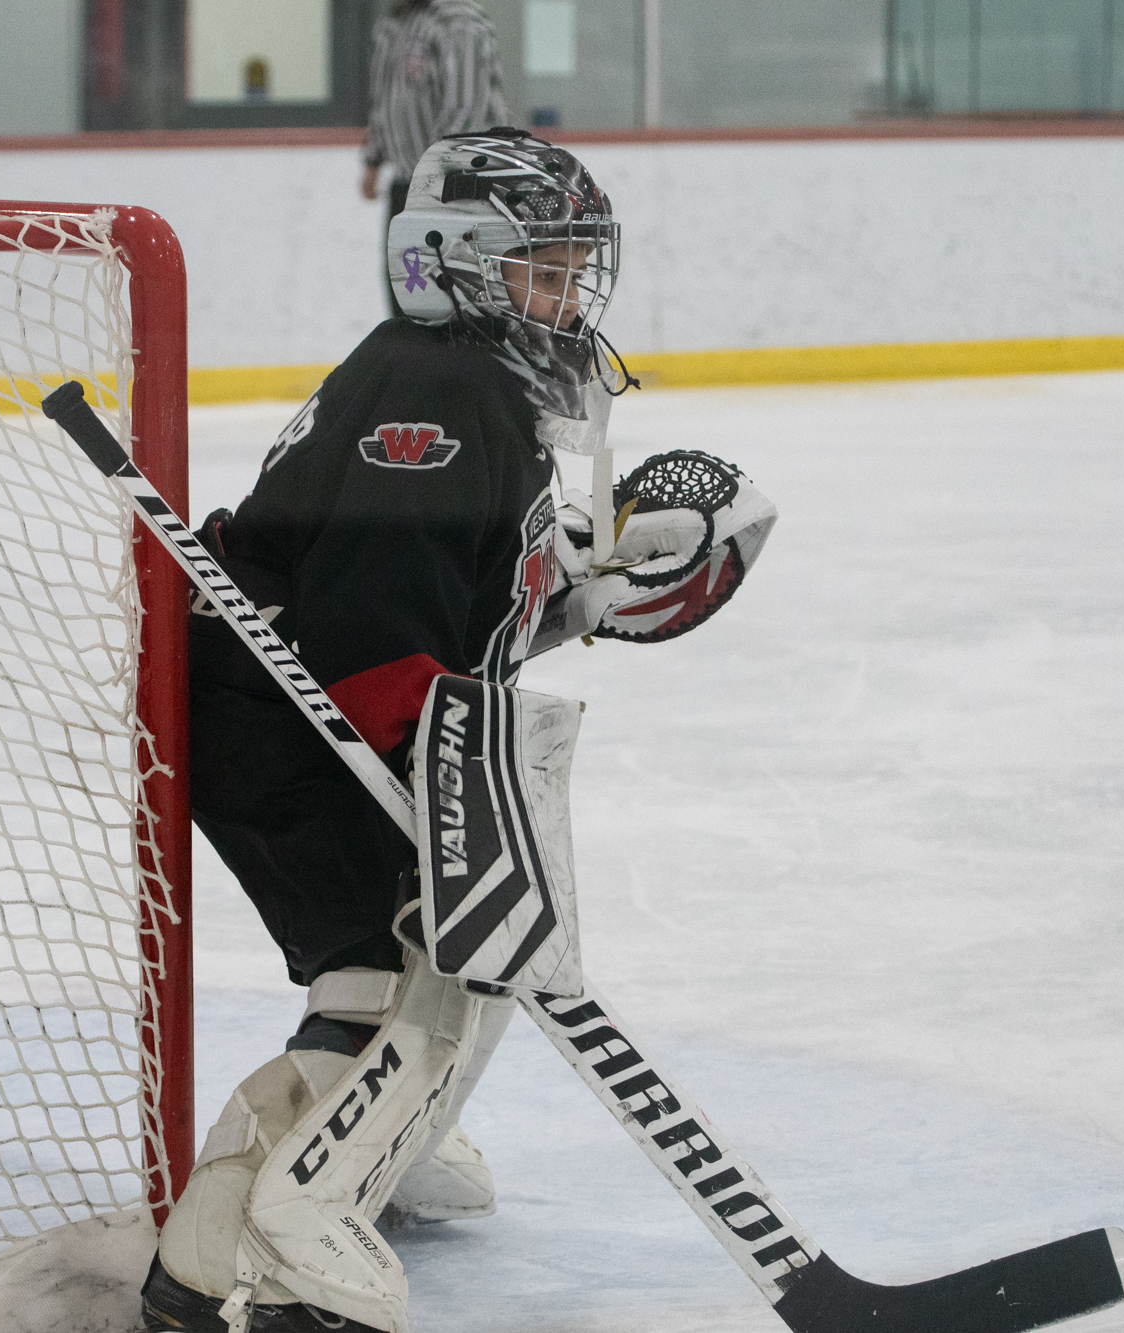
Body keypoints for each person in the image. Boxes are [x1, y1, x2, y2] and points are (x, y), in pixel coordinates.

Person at [142, 129, 772, 1333]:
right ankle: (289, 1231)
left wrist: (581, 599)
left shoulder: (469, 380)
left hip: (288, 703)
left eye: (574, 267)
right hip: (283, 720)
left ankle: (299, 1198)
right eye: (541, 267)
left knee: (425, 970)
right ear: (458, 262)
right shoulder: (443, 385)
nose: (567, 293)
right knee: (414, 977)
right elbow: (374, 626)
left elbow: (452, 592)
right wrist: (440, 809)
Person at [360, 0, 509, 315]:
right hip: (408, 184)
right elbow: (384, 99)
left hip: (460, 188)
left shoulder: (458, 21)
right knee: (407, 301)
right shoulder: (392, 26)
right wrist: (374, 159)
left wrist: (438, 174)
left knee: (455, 304)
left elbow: (469, 113)